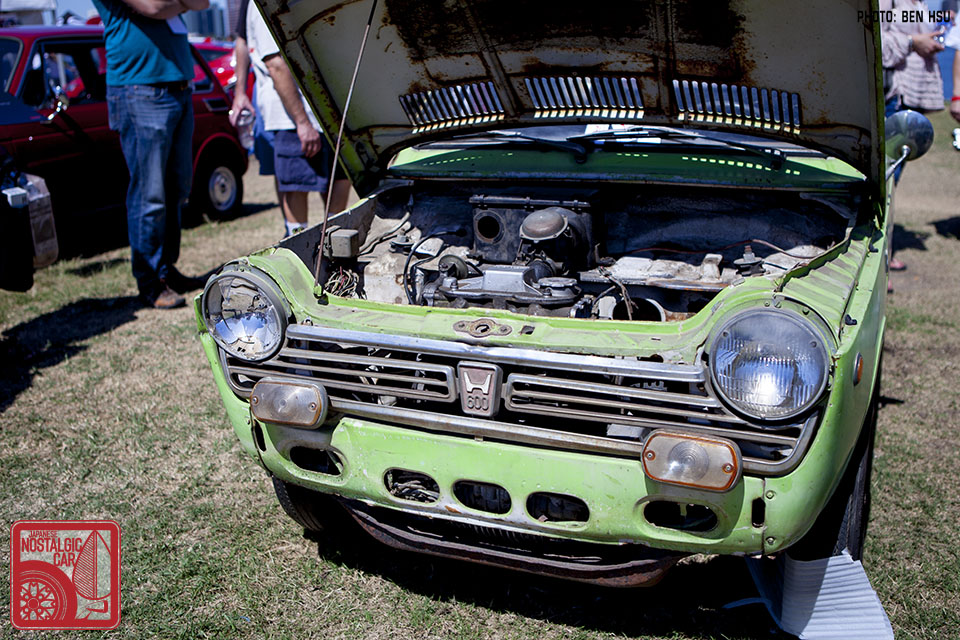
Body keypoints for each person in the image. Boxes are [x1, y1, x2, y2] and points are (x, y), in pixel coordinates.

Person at [92, 0, 208, 308]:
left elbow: (204, 2)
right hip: (140, 89)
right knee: (149, 195)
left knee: (176, 189)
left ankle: (166, 270)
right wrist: (181, 4)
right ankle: (150, 282)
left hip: (178, 87)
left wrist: (175, 4)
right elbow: (154, 6)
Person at [243, 0, 350, 237]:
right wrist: (302, 122)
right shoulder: (263, 4)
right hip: (292, 116)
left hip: (324, 113)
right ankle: (298, 245)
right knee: (297, 186)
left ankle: (334, 243)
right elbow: (275, 64)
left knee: (340, 179)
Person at [880, 0, 946, 279]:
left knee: (889, 183)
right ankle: (878, 260)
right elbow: (872, 39)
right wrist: (912, 42)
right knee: (882, 182)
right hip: (887, 97)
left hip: (901, 99)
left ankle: (884, 253)